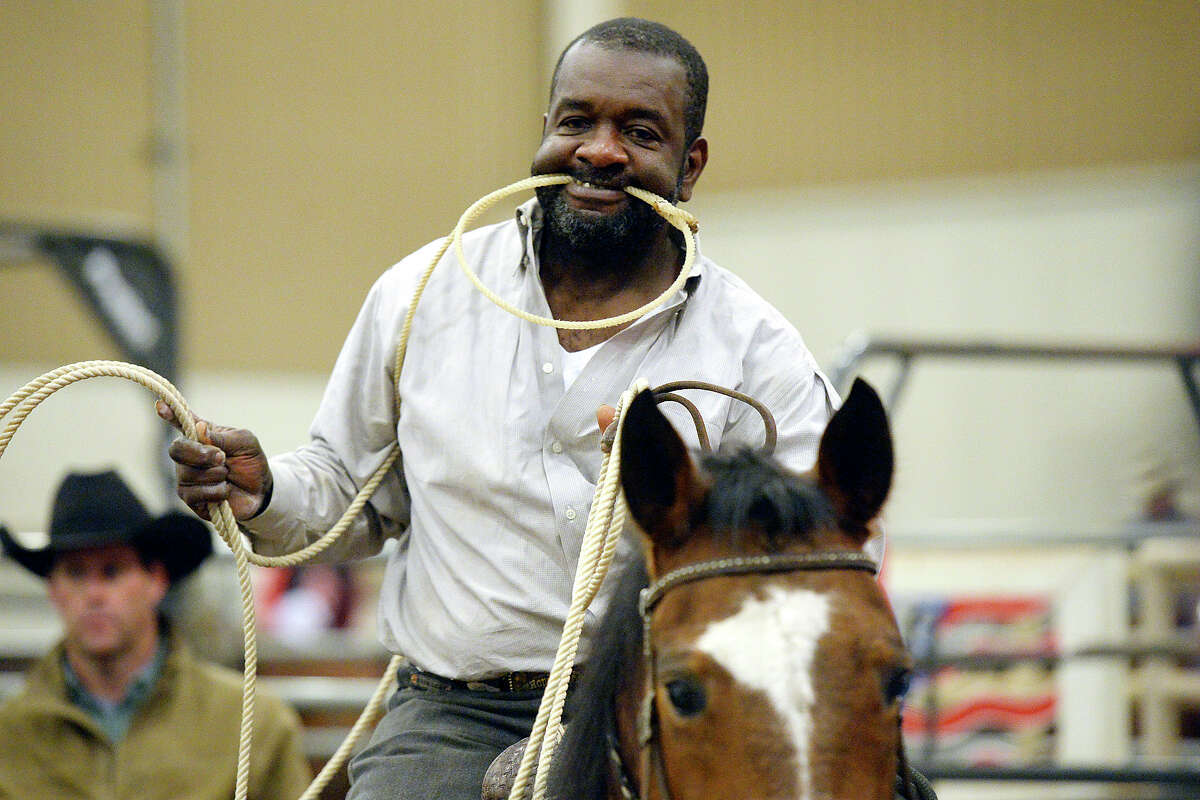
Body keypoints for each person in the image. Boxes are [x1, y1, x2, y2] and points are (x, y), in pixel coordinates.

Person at [161, 18, 853, 800]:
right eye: (576, 121)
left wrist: (679, 493)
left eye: (639, 131)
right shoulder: (423, 295)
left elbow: (813, 553)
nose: (599, 151)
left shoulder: (753, 348)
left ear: (689, 165)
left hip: (663, 707)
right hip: (453, 716)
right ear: (546, 132)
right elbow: (351, 495)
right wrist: (262, 492)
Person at [0, 469, 312, 800]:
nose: (93, 595)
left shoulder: (254, 723)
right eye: (76, 573)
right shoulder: (10, 732)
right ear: (54, 590)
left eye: (112, 571)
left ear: (157, 580)